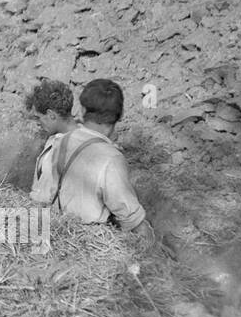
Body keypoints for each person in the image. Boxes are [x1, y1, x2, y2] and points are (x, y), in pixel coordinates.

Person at [29, 78, 154, 241]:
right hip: (88, 244)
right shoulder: (111, 159)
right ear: (120, 115)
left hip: (54, 236)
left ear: (81, 110)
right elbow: (131, 219)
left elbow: (40, 198)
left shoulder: (58, 141)